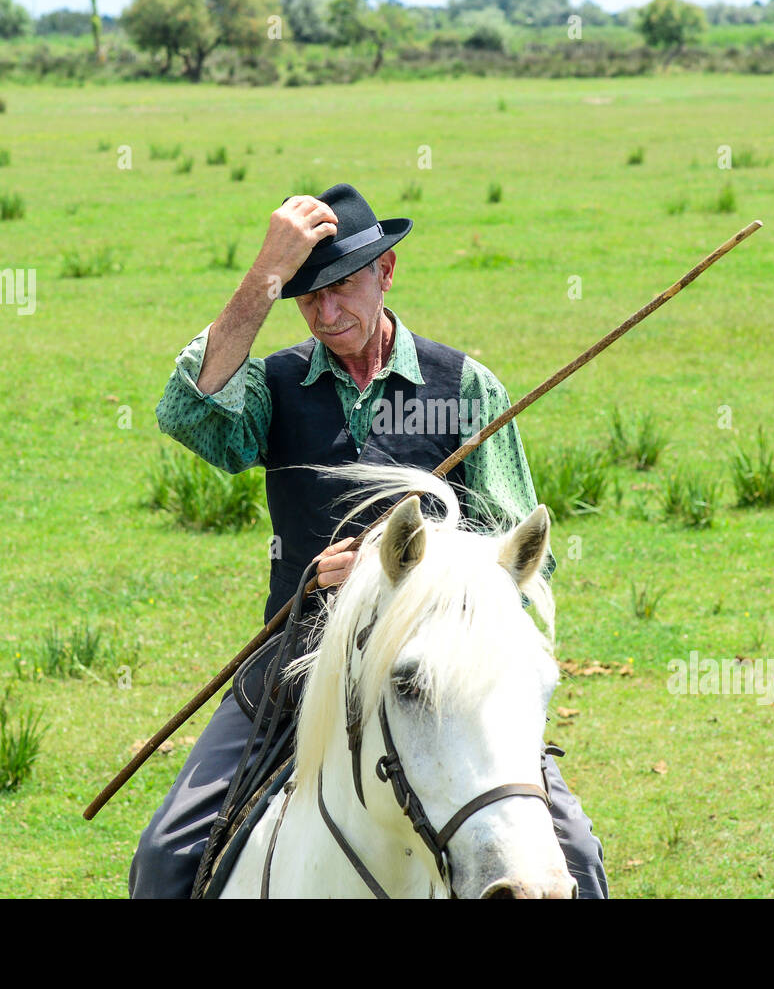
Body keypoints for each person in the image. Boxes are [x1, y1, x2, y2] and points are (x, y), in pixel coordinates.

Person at [129, 183, 607, 898]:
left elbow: (521, 563)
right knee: (165, 858)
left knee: (578, 863)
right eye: (306, 295)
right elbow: (186, 411)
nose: (325, 313)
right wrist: (264, 273)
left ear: (385, 273)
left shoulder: (466, 387)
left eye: (342, 288)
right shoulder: (275, 388)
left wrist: (409, 570)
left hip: (441, 679)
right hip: (297, 664)